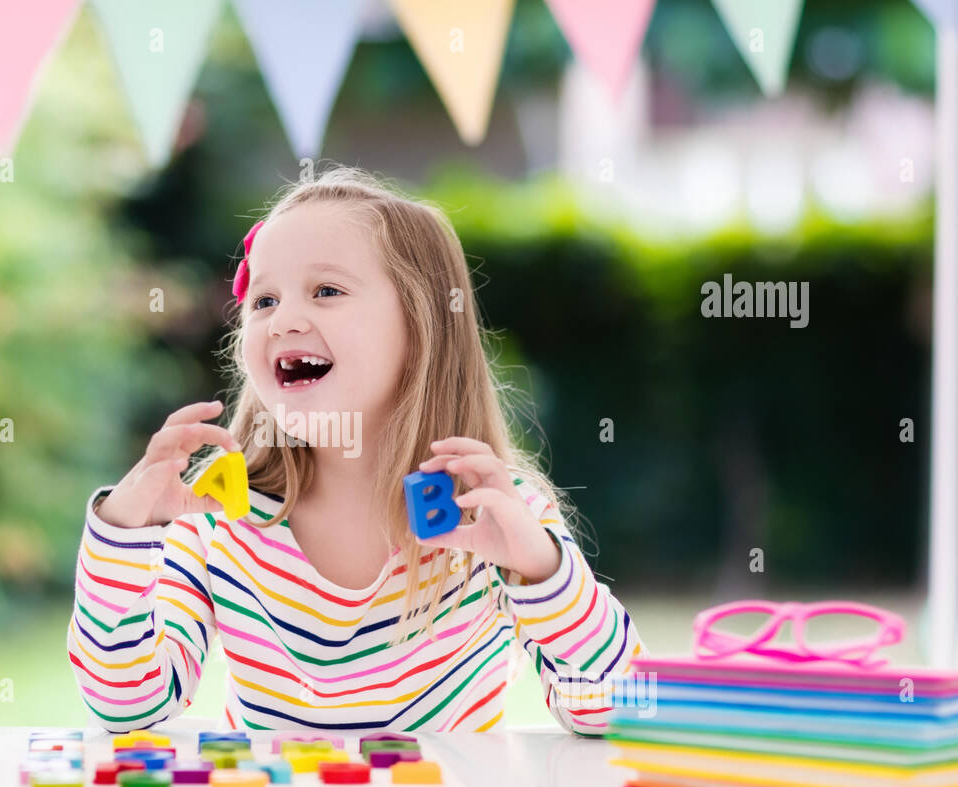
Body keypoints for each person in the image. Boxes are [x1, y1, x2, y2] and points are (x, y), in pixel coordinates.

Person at [69, 165, 646, 734]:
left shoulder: (497, 515)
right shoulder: (221, 515)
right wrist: (123, 531)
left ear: (422, 324)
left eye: (326, 290)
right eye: (263, 300)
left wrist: (542, 571)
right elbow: (128, 706)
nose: (283, 320)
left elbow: (619, 711)